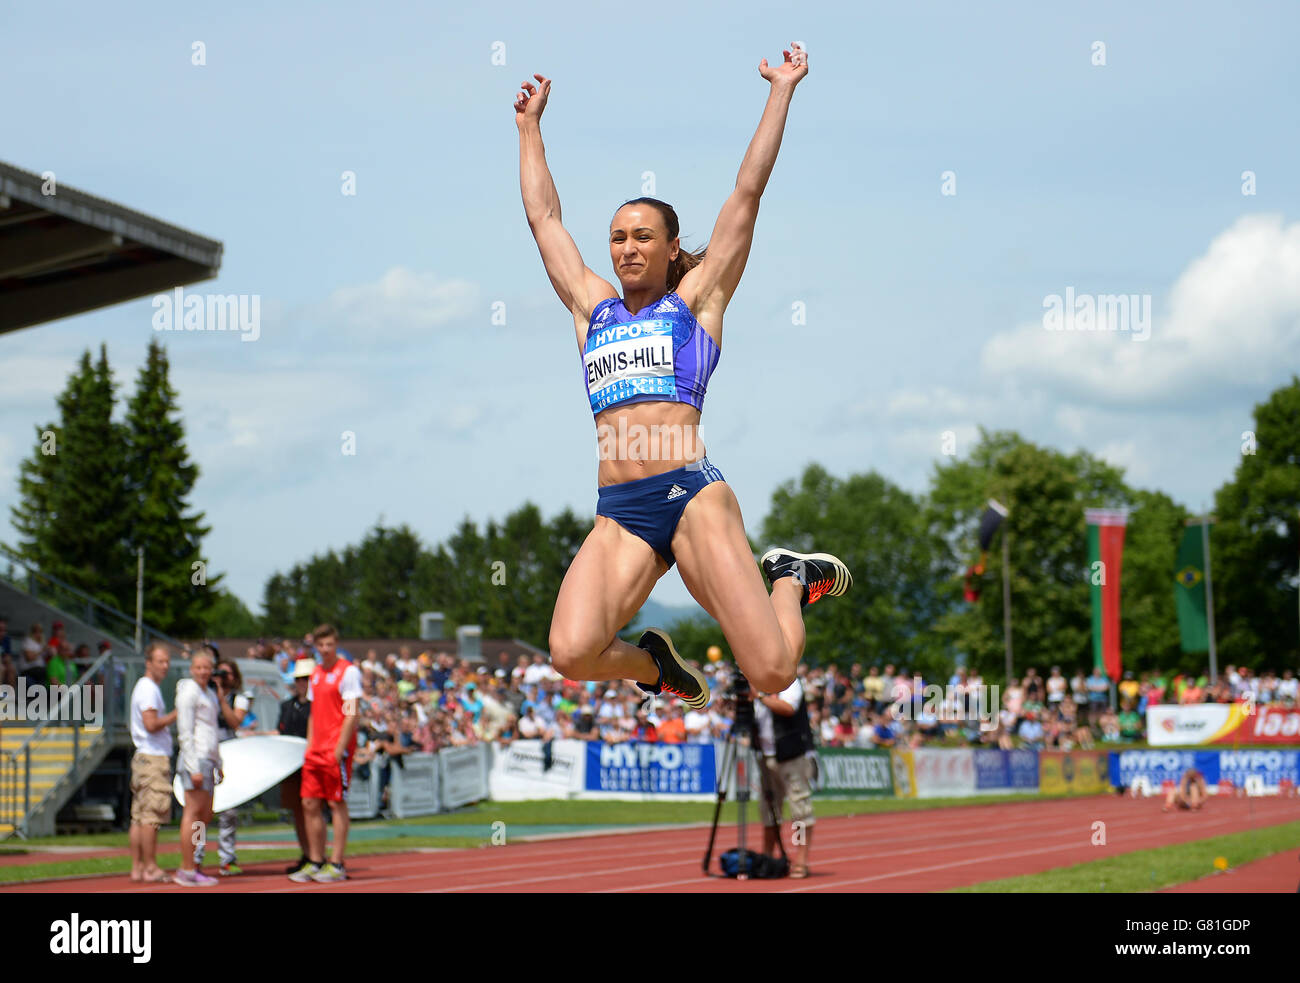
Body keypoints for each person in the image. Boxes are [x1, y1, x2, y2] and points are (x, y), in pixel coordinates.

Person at [516, 43, 851, 717]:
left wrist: (781, 90)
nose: (627, 247)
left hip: (690, 493)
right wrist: (530, 130)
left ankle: (789, 575)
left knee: (772, 671)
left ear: (672, 248)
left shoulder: (695, 302)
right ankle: (654, 663)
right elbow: (544, 220)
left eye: (643, 236)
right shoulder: (593, 309)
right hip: (621, 513)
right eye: (617, 237)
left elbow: (746, 193)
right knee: (571, 652)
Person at [290, 624, 362, 883]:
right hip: (316, 748)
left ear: (336, 644)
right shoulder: (316, 672)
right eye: (320, 645)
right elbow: (313, 712)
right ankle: (316, 860)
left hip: (335, 748)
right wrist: (310, 745)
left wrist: (339, 749)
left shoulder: (348, 671)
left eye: (329, 645)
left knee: (335, 802)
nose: (325, 650)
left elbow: (352, 712)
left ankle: (337, 862)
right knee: (309, 803)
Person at [754, 676, 817, 877]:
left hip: (791, 754)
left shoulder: (788, 682)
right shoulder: (755, 683)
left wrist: (760, 696)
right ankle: (767, 856)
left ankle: (801, 859)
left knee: (799, 811)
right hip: (765, 755)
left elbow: (788, 708)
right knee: (768, 810)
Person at [195, 654, 252, 876]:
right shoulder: (203, 694)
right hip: (206, 751)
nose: (221, 678)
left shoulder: (239, 698)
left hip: (229, 752)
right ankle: (196, 856)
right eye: (218, 673)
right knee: (199, 810)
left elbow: (235, 721)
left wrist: (220, 699)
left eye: (226, 674)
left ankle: (227, 857)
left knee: (229, 810)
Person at [128, 643, 177, 883]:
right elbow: (151, 724)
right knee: (151, 816)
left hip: (144, 756)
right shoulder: (148, 689)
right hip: (153, 757)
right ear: (149, 663)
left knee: (139, 816)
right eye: (160, 661)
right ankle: (150, 867)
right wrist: (176, 714)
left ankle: (137, 867)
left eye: (167, 661)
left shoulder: (144, 687)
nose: (165, 666)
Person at [173, 649, 222, 886]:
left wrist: (218, 762)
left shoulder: (210, 694)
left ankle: (196, 862)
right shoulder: (188, 693)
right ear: (192, 669)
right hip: (196, 759)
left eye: (207, 667)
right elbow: (185, 732)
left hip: (209, 759)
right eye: (199, 667)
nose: (203, 672)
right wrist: (194, 766)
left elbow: (212, 729)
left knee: (204, 816)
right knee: (193, 813)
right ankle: (186, 867)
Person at [277, 657, 314, 873]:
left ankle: (315, 854)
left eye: (307, 679)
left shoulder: (317, 706)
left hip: (311, 764)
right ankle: (306, 854)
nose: (303, 683)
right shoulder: (287, 706)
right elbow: (282, 733)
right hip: (291, 767)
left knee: (312, 811)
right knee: (298, 812)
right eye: (300, 679)